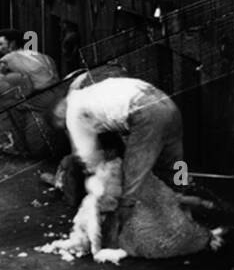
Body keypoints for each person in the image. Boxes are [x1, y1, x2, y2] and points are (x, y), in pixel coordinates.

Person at [59, 76, 186, 243]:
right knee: (175, 161)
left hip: (143, 112)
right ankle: (182, 200)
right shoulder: (90, 92)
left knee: (133, 177)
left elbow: (88, 159)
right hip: (166, 102)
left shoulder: (73, 114)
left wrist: (96, 188)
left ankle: (118, 233)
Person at [0, 29, 63, 157]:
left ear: (12, 44)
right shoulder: (43, 56)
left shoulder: (7, 59)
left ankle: (19, 146)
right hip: (58, 98)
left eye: (1, 44)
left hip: (38, 101)